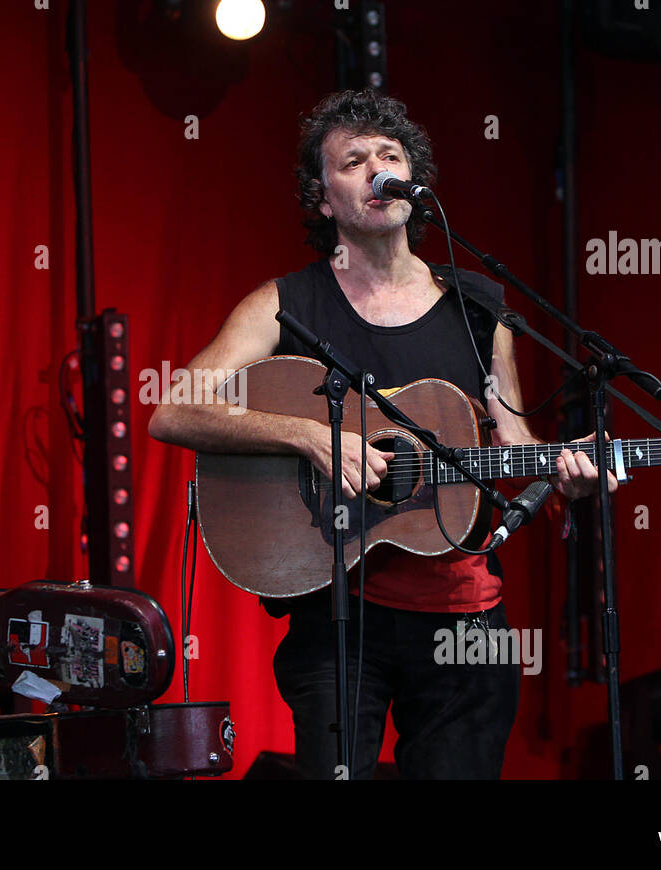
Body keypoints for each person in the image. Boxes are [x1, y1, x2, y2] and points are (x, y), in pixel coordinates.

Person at [148, 89, 616, 779]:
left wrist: (565, 477)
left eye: (390, 157)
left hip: (467, 619)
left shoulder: (480, 310)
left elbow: (513, 447)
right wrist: (307, 437)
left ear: (414, 183)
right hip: (339, 614)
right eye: (353, 161)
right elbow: (171, 408)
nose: (377, 170)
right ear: (323, 198)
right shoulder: (285, 303)